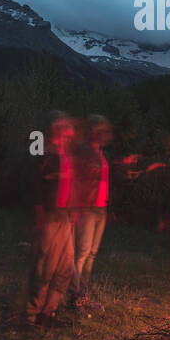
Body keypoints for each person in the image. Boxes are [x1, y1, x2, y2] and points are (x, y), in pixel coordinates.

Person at [24, 112, 76, 328]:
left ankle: (49, 313)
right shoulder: (43, 152)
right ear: (55, 129)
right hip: (50, 215)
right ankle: (30, 316)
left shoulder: (64, 154)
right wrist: (39, 213)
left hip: (64, 215)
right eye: (64, 127)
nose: (69, 130)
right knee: (45, 267)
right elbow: (35, 184)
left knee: (65, 267)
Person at [68, 115, 112, 311]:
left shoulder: (98, 152)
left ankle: (83, 295)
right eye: (100, 129)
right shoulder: (84, 151)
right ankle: (74, 297)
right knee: (81, 253)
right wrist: (75, 206)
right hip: (86, 208)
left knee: (91, 254)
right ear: (92, 130)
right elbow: (76, 179)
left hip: (100, 208)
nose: (104, 133)